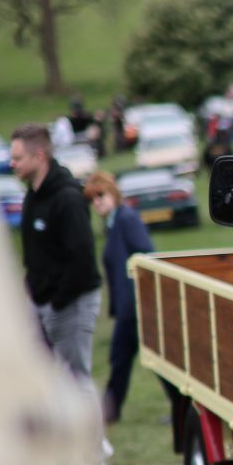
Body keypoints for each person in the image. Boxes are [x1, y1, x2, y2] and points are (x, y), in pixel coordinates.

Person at [11, 123, 102, 395]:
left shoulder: (68, 199)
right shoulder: (33, 196)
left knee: (76, 383)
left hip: (70, 304)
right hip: (41, 303)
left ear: (39, 156)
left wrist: (57, 302)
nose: (12, 164)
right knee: (41, 379)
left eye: (18, 158)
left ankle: (89, 426)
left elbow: (82, 260)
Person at [83, 171, 154, 423]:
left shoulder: (126, 218)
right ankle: (110, 411)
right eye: (92, 199)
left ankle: (109, 412)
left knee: (152, 361)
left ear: (113, 193)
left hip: (137, 307)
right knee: (120, 358)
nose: (97, 202)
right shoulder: (113, 222)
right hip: (128, 308)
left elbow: (147, 253)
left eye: (101, 195)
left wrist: (137, 297)